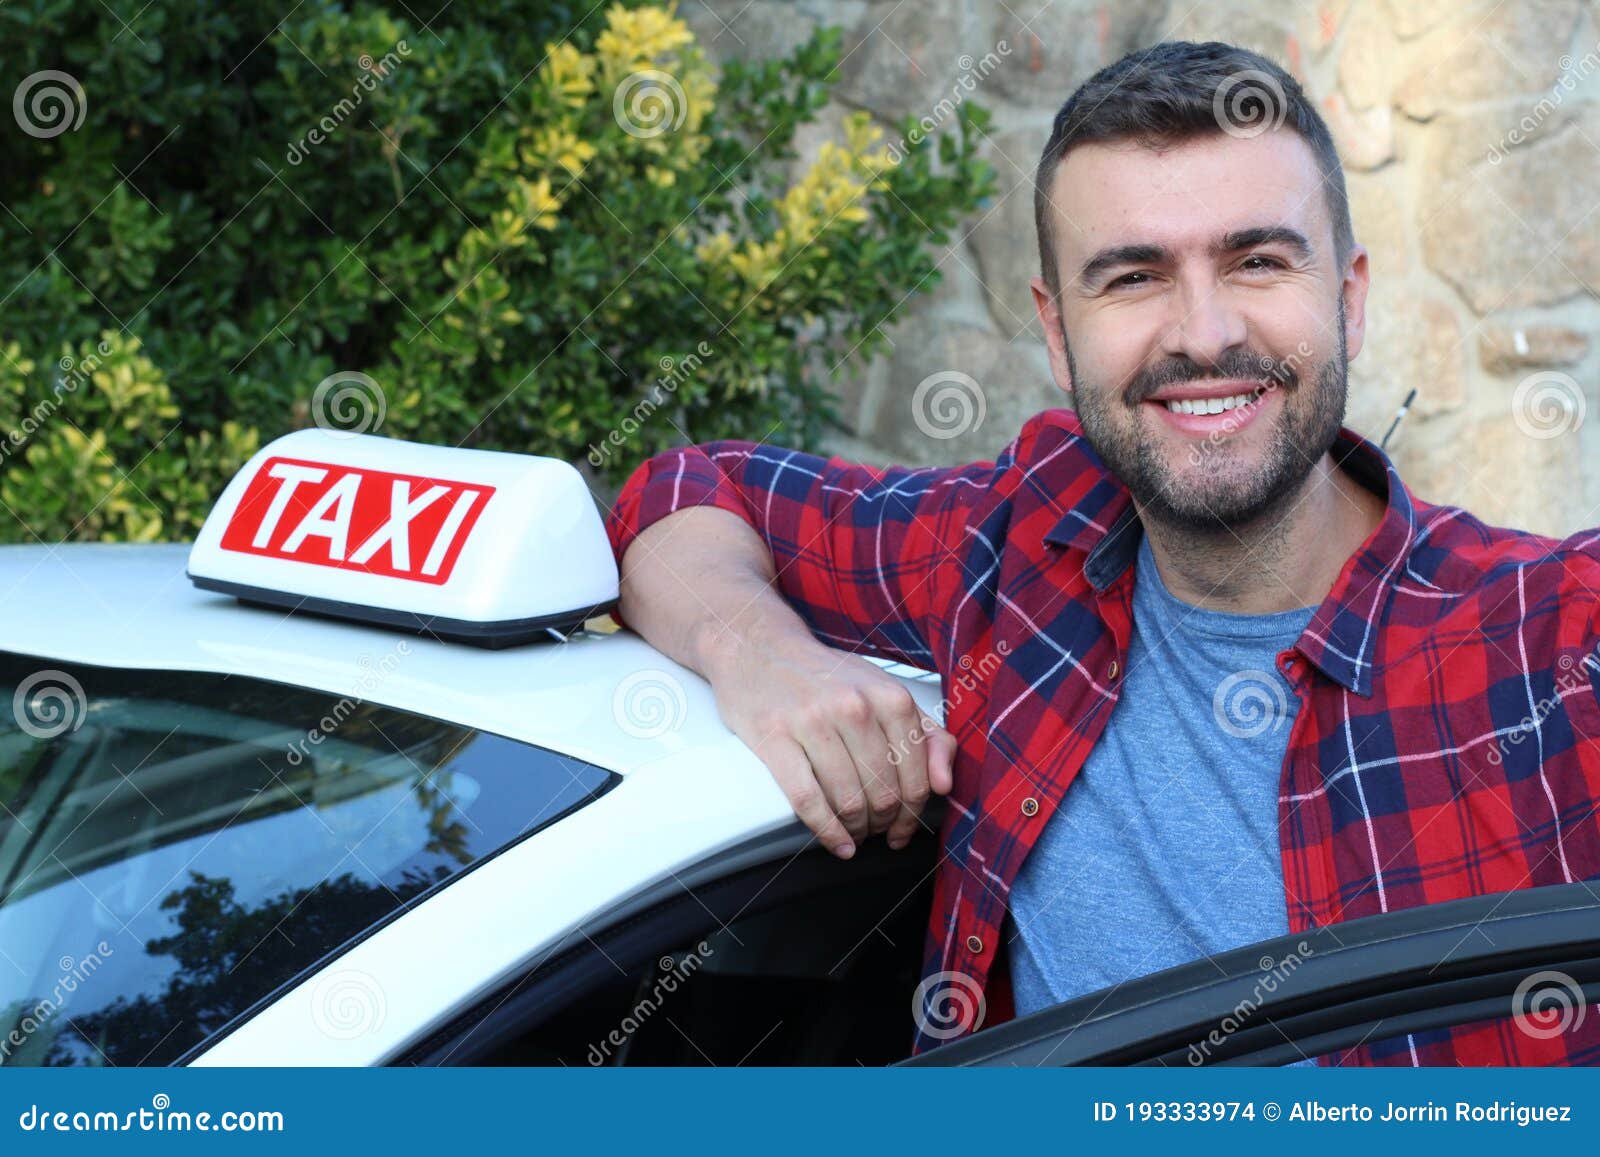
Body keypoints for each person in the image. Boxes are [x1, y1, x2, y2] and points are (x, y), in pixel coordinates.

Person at [604, 41, 1600, 1065]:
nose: (1203, 334)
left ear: (1347, 297)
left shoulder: (1552, 641)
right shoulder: (1020, 543)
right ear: (1055, 329)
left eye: (1257, 260)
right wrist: (765, 661)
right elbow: (682, 495)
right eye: (1133, 276)